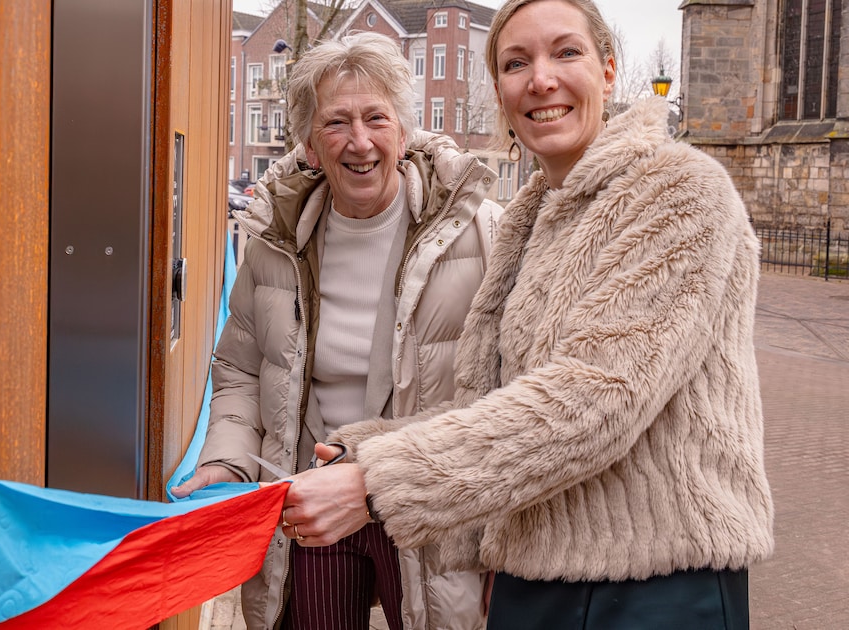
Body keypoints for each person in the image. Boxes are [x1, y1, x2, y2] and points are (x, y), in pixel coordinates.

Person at [279, 1, 775, 628]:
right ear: (500, 91)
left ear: (609, 70)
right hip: (535, 579)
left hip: (658, 585)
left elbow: (595, 398)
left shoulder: (680, 190)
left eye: (566, 52)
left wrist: (377, 482)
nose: (541, 79)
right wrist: (363, 451)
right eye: (517, 63)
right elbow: (494, 401)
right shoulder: (528, 220)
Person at [171, 32, 503, 630]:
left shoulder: (477, 234)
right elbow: (242, 371)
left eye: (376, 118)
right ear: (309, 146)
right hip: (316, 492)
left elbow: (505, 391)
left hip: (425, 498)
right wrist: (228, 462)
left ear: (403, 132)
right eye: (336, 123)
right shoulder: (275, 243)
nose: (359, 141)